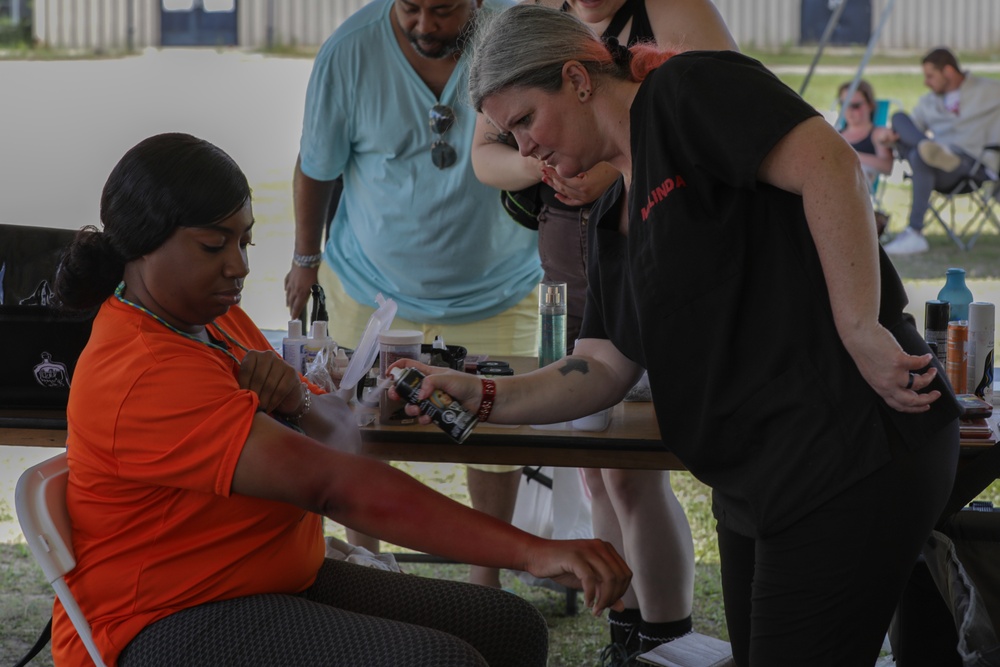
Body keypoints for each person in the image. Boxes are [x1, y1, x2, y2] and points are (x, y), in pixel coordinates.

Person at [392, 6, 964, 665]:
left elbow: (830, 164)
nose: (524, 149)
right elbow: (600, 367)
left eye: (523, 120)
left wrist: (859, 325)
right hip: (756, 476)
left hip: (849, 447)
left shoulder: (685, 94)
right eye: (507, 133)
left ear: (578, 78)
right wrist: (482, 395)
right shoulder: (610, 212)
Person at [49, 132, 631, 667]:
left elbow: (337, 432)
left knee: (508, 627)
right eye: (213, 244)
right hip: (163, 616)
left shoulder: (215, 321)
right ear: (143, 244)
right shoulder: (144, 370)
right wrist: (530, 552)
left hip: (260, 576)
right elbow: (336, 483)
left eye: (246, 239)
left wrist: (297, 406)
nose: (240, 266)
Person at [470, 0, 734, 661]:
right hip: (572, 265)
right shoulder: (531, 28)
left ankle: (663, 635)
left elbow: (747, 138)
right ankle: (633, 636)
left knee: (633, 471)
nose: (527, 144)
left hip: (648, 249)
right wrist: (543, 162)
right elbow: (485, 154)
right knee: (597, 472)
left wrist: (611, 165)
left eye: (533, 124)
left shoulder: (676, 31)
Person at [283, 0, 544, 588]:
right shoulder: (349, 51)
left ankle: (488, 577)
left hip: (497, 290)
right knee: (355, 431)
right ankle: (368, 564)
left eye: (444, 10)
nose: (425, 24)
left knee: (493, 437)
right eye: (411, 7)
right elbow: (318, 165)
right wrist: (305, 260)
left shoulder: (515, 34)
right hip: (369, 288)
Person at [882, 47, 1000, 255]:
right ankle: (929, 149)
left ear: (948, 71)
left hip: (970, 164)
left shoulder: (989, 91)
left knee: (919, 156)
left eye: (930, 76)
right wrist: (892, 137)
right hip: (938, 166)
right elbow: (911, 126)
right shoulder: (929, 102)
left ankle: (915, 233)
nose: (926, 82)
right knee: (900, 119)